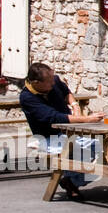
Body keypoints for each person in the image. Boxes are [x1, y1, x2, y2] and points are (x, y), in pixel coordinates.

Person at [19, 62, 102, 200]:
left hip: (69, 133)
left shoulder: (54, 80)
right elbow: (54, 117)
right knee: (94, 148)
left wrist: (75, 105)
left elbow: (65, 91)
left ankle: (71, 180)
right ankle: (72, 181)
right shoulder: (27, 97)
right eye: (49, 82)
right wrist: (86, 119)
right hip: (49, 137)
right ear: (36, 83)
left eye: (53, 79)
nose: (53, 83)